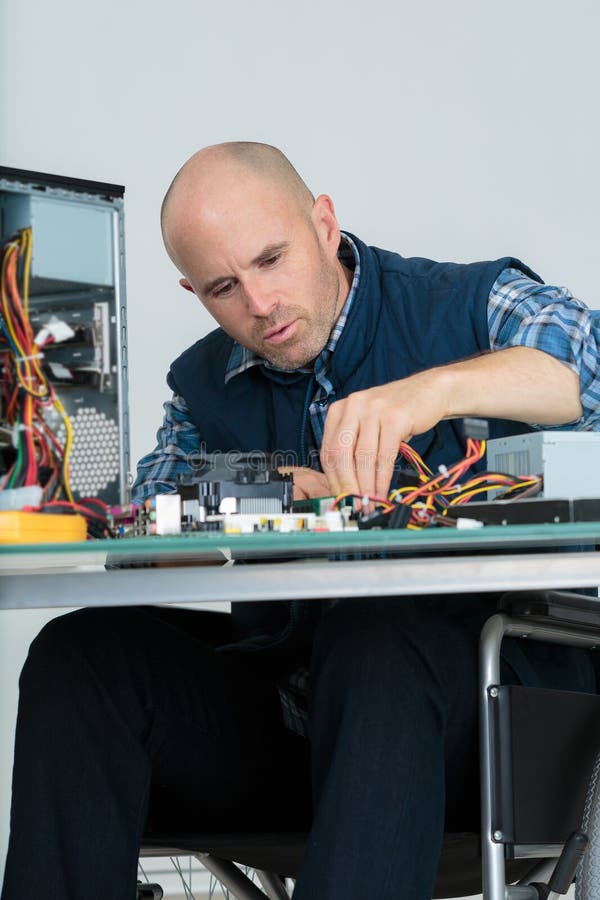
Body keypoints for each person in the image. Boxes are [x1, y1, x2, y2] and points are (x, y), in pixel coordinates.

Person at [2, 141, 600, 900]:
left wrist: (427, 394)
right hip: (302, 721)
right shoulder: (202, 383)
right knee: (79, 655)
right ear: (193, 292)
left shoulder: (467, 303)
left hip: (491, 727)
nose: (259, 304)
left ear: (324, 224)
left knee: (378, 637)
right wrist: (291, 491)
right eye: (224, 286)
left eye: (272, 260)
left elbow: (587, 363)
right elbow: (148, 523)